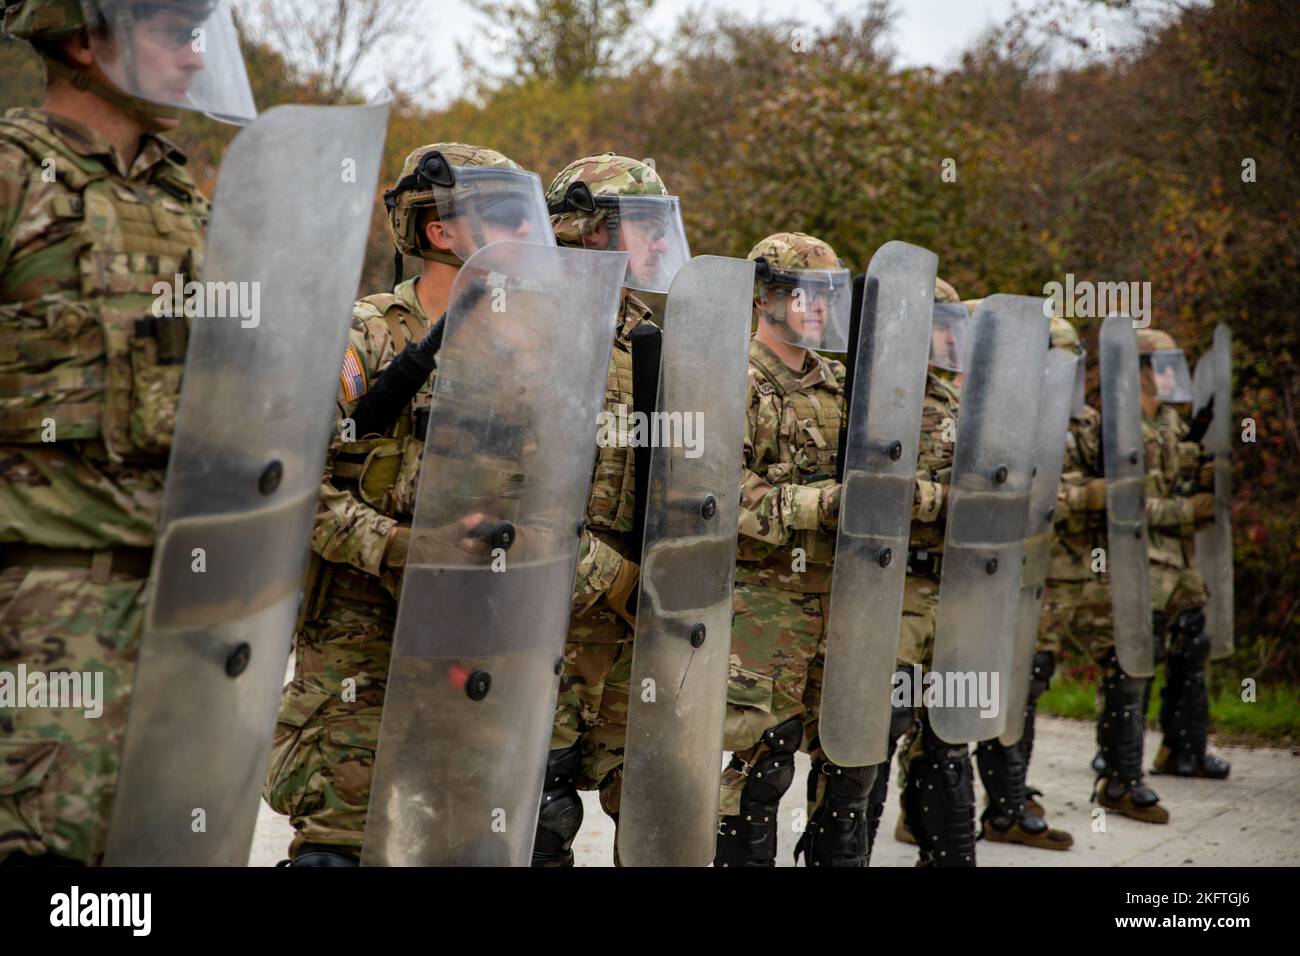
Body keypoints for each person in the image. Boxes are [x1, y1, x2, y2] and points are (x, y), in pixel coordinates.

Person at [0, 0, 253, 866]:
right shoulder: (14, 175)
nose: (194, 58)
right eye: (172, 34)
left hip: (187, 600)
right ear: (84, 39)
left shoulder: (184, 203)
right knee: (47, 851)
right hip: (42, 600)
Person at [262, 142, 553, 866]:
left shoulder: (533, 352)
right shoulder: (361, 334)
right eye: (502, 215)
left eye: (528, 216)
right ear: (440, 232)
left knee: (475, 840)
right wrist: (395, 544)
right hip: (360, 634)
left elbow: (559, 494)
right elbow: (282, 480)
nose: (524, 232)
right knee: (338, 843)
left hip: (475, 631)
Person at [528, 153, 693, 867]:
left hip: (629, 620)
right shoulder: (523, 322)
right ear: (590, 230)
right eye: (644, 227)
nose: (660, 245)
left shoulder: (645, 334)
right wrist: (618, 579)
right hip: (536, 613)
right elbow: (501, 489)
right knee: (537, 806)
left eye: (663, 228)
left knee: (662, 799)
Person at [710, 232, 859, 867]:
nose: (822, 306)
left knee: (853, 756)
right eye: (808, 292)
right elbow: (713, 488)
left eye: (831, 293)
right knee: (762, 763)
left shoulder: (845, 384)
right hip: (762, 606)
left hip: (844, 597)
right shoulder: (731, 378)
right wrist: (818, 505)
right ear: (766, 295)